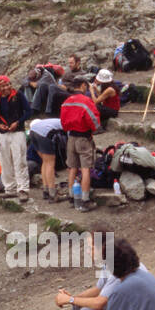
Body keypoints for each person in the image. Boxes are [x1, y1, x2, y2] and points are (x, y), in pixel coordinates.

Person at [59, 72, 100, 212]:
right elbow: (93, 120)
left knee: (72, 167)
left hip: (70, 138)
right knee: (86, 169)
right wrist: (95, 129)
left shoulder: (66, 102)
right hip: (83, 138)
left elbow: (63, 123)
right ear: (83, 86)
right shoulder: (86, 101)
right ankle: (85, 199)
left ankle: (72, 196)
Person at [28, 116, 65, 202]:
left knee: (45, 162)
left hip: (33, 132)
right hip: (43, 133)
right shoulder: (70, 126)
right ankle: (53, 194)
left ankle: (46, 190)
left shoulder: (57, 121)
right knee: (50, 163)